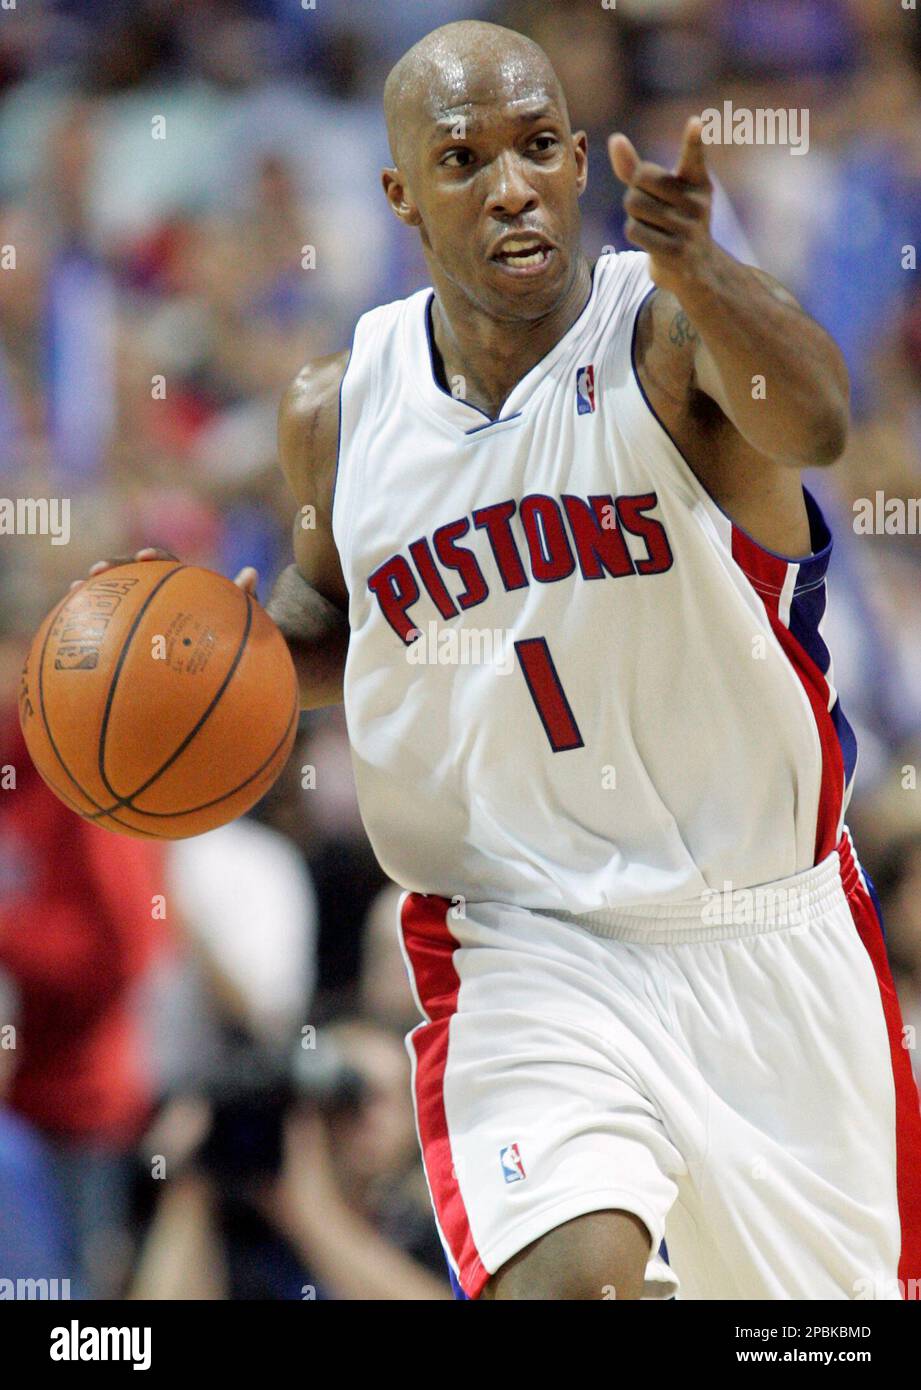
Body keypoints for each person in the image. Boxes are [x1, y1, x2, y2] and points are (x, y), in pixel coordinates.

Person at [84, 20, 921, 1301]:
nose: (511, 184)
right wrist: (238, 662)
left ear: (581, 161)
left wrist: (703, 267)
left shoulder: (675, 338)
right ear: (399, 194)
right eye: (464, 158)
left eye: (538, 148)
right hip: (523, 937)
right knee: (565, 1280)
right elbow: (339, 622)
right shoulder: (340, 408)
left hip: (767, 928)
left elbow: (814, 418)